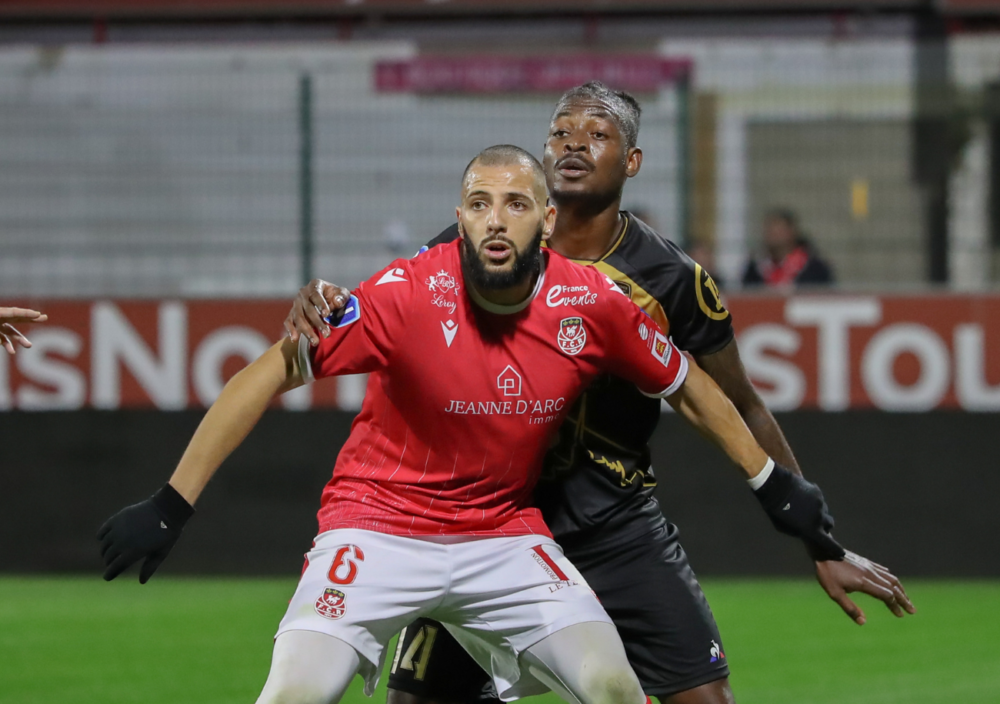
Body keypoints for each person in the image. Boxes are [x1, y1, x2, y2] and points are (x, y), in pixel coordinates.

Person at [98, 145, 820, 704]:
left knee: (612, 686)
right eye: (479, 203)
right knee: (292, 692)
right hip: (376, 528)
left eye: (514, 203)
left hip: (500, 536)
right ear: (461, 216)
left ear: (546, 219)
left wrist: (769, 481)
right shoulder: (409, 291)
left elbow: (689, 385)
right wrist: (172, 502)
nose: (495, 218)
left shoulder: (592, 303)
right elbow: (267, 373)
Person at [286, 83, 913, 704]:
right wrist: (324, 303)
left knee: (706, 700)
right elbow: (376, 316)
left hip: (614, 525)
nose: (574, 145)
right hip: (483, 523)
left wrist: (818, 541)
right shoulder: (472, 246)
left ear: (633, 161)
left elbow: (739, 404)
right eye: (560, 133)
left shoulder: (673, 280)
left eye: (597, 134)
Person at [741, 208, 834, 288]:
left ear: (792, 232)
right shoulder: (755, 269)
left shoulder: (814, 268)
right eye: (769, 230)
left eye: (779, 230)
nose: (773, 235)